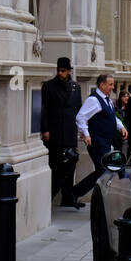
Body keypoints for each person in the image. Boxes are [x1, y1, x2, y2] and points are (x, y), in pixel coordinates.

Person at [72, 73, 127, 206]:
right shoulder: (94, 100)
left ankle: (75, 192)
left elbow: (111, 117)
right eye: (110, 84)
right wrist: (86, 134)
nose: (113, 87)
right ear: (102, 85)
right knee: (105, 170)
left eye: (113, 84)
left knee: (104, 170)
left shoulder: (107, 99)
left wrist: (121, 127)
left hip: (106, 142)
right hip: (97, 142)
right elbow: (80, 117)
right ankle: (79, 193)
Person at [40, 58, 82, 210]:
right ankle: (49, 196)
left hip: (70, 130)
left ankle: (68, 196)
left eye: (63, 71)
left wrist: (82, 130)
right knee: (57, 164)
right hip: (55, 130)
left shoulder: (76, 87)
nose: (60, 73)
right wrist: (45, 129)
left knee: (71, 160)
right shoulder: (49, 86)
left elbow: (79, 109)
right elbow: (43, 109)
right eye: (58, 70)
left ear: (69, 71)